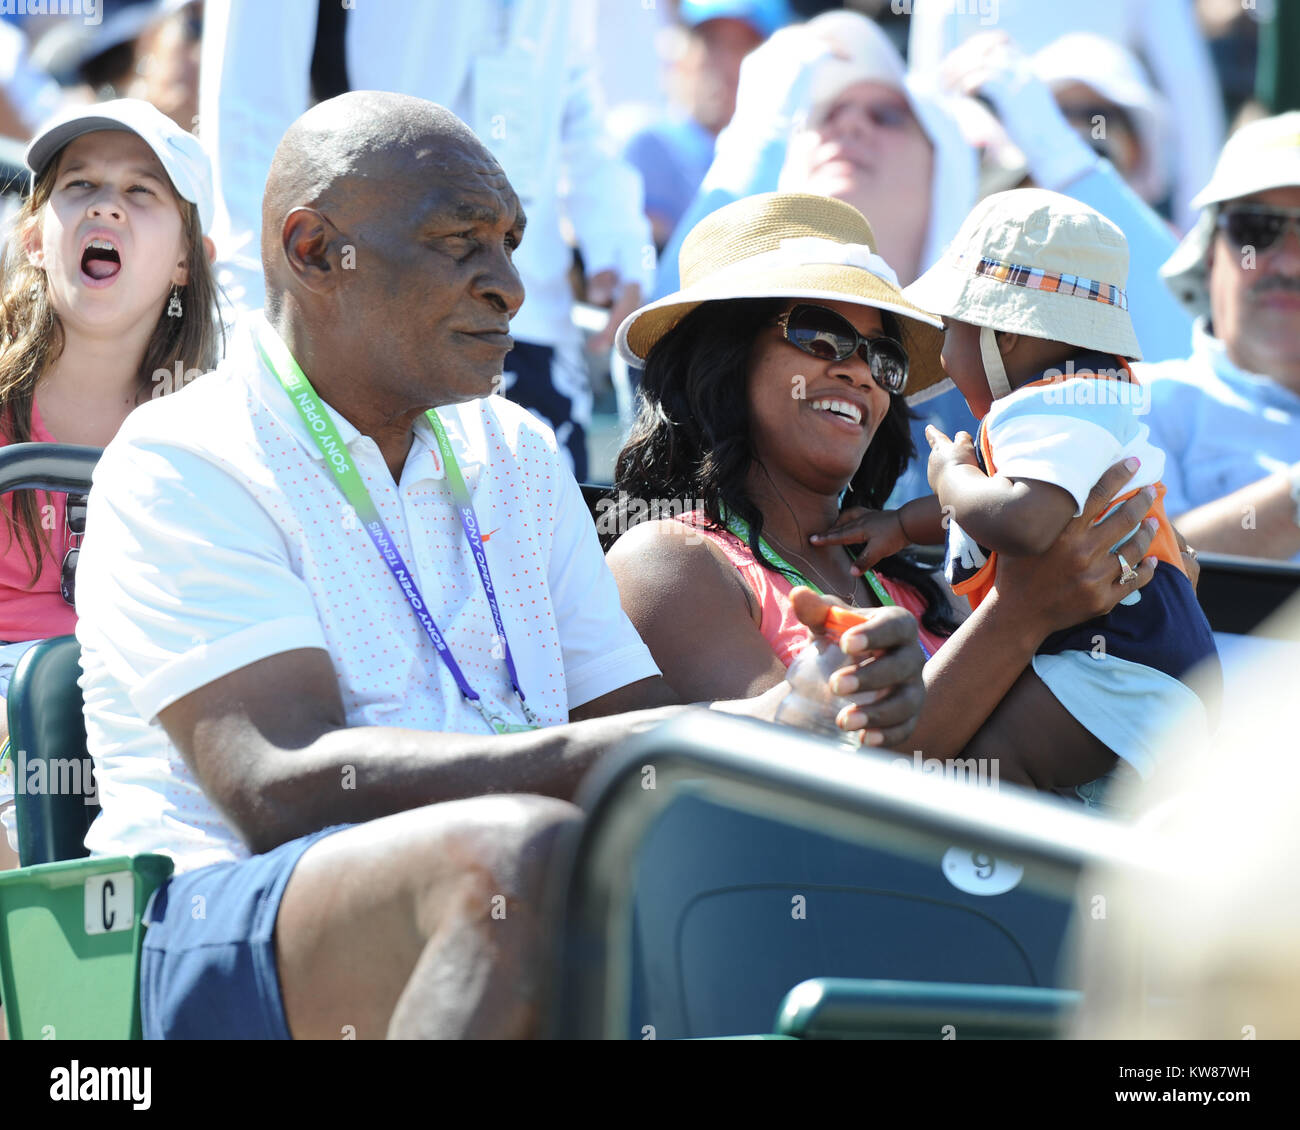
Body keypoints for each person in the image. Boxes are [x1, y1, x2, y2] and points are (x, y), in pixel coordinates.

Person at [73, 93, 927, 1040]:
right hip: (215, 927)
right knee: (517, 862)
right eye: (461, 241)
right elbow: (282, 786)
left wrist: (823, 700)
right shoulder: (185, 454)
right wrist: (741, 732)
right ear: (315, 251)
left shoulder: (514, 449)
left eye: (514, 241)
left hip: (511, 895)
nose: (510, 286)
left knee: (790, 880)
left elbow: (632, 739)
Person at [608, 190, 1171, 795]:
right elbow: (796, 794)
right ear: (723, 355)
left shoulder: (916, 580)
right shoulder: (669, 559)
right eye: (820, 336)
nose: (859, 373)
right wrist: (1021, 613)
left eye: (884, 357)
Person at [198, 0, 655, 480]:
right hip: (370, 325)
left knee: (526, 541)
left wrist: (617, 233)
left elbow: (570, 75)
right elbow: (251, 105)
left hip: (535, 316)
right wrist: (266, 334)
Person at [866, 189, 1218, 805]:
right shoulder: (1076, 404)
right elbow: (994, 512)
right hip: (1141, 655)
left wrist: (949, 475)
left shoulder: (1048, 407)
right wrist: (900, 524)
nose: (944, 358)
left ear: (1003, 337)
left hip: (1121, 660)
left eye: (951, 331)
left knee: (989, 770)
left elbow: (1023, 523)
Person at [0, 97, 219, 868]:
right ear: (34, 238)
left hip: (149, 711)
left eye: (141, 192)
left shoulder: (222, 428)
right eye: (81, 186)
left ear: (190, 259)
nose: (108, 208)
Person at [905, 0, 1225, 231]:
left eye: (1093, 118)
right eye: (1062, 117)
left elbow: (1191, 97)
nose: (1077, 135)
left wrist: (1198, 233)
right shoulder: (971, 244)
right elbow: (928, 104)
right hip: (995, 162)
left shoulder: (1163, 252)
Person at [1140, 112, 1300, 562]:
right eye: (1257, 231)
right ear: (1210, 256)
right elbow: (1138, 578)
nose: (1290, 264)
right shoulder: (1136, 403)